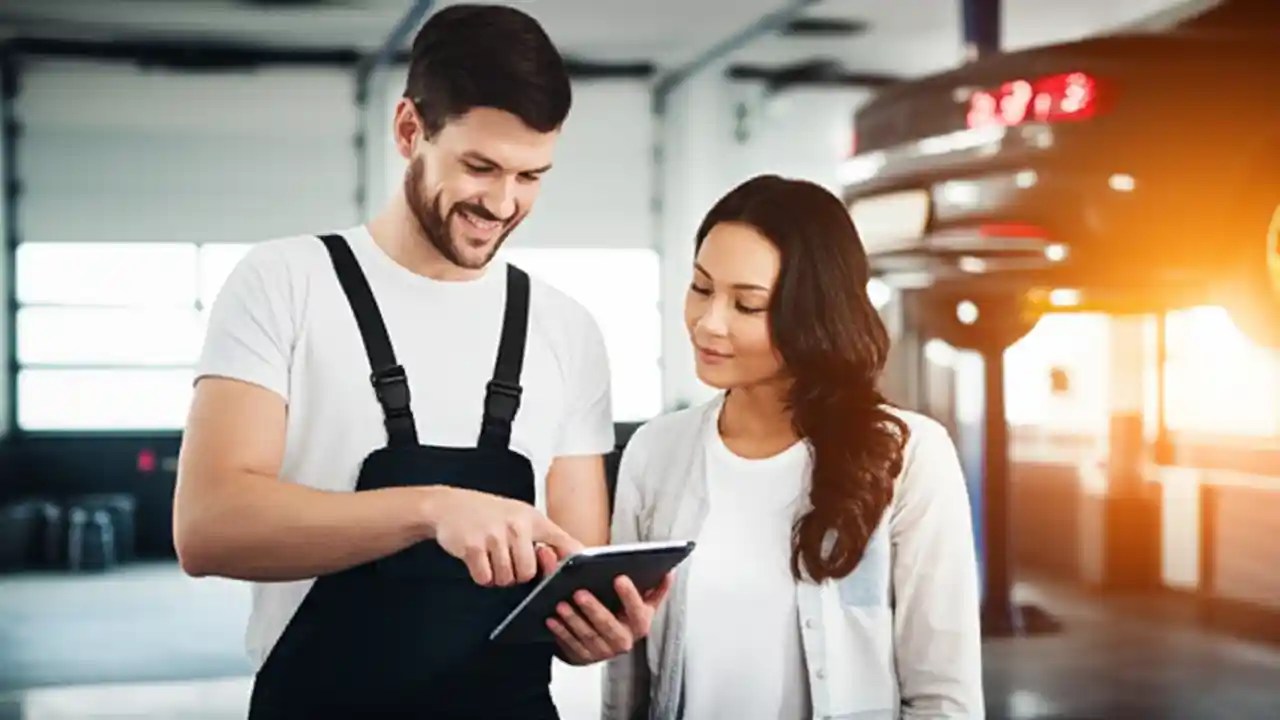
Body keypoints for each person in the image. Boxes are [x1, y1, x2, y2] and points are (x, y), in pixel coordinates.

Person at [173, 5, 669, 719]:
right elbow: (208, 527)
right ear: (410, 130)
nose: (503, 203)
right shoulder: (285, 283)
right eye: (480, 166)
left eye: (531, 175)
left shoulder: (566, 329)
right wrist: (431, 510)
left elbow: (573, 566)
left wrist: (593, 627)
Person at [597, 175, 984, 720]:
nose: (709, 323)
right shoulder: (656, 451)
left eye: (748, 305)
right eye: (702, 288)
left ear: (815, 314)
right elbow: (625, 679)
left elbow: (944, 696)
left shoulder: (910, 455)